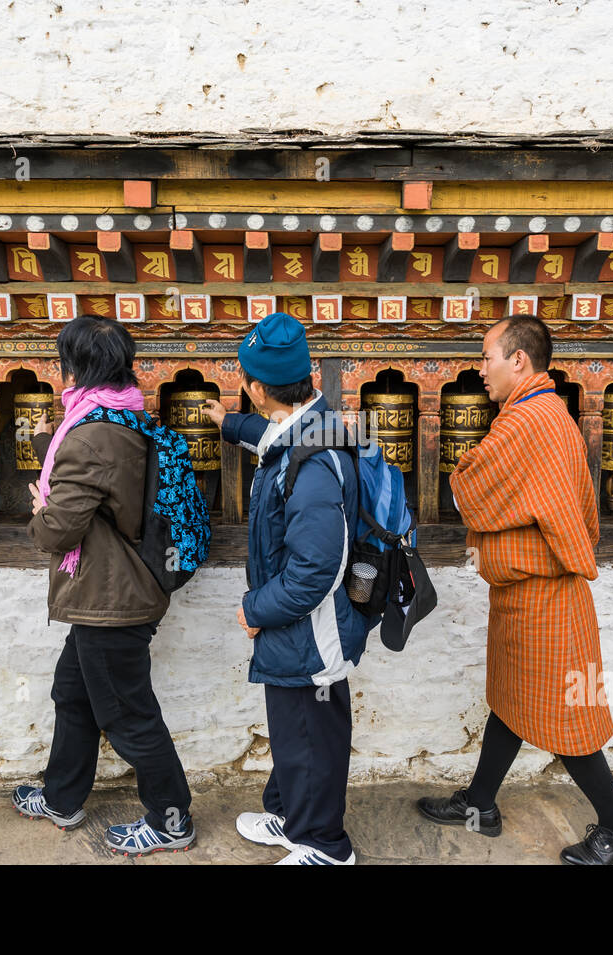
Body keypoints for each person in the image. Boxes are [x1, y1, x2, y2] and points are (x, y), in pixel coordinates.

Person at [416, 314, 613, 865]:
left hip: (547, 594)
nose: (481, 369)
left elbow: (469, 483)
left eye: (487, 357)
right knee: (514, 701)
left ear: (518, 359)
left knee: (569, 713)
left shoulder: (529, 420)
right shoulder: (543, 412)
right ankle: (480, 803)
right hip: (526, 593)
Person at [11, 316, 194, 856]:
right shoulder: (129, 418)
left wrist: (40, 509)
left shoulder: (88, 436)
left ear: (74, 368)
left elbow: (57, 530)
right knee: (73, 693)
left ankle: (171, 819)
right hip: (115, 593)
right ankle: (62, 797)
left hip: (112, 599)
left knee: (129, 715)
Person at [201, 312, 368, 865]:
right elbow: (272, 438)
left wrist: (256, 608)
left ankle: (324, 845)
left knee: (311, 730)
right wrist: (229, 424)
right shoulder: (306, 427)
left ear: (255, 387)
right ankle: (292, 814)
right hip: (295, 625)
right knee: (293, 728)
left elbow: (315, 570)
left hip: (309, 626)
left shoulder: (315, 463)